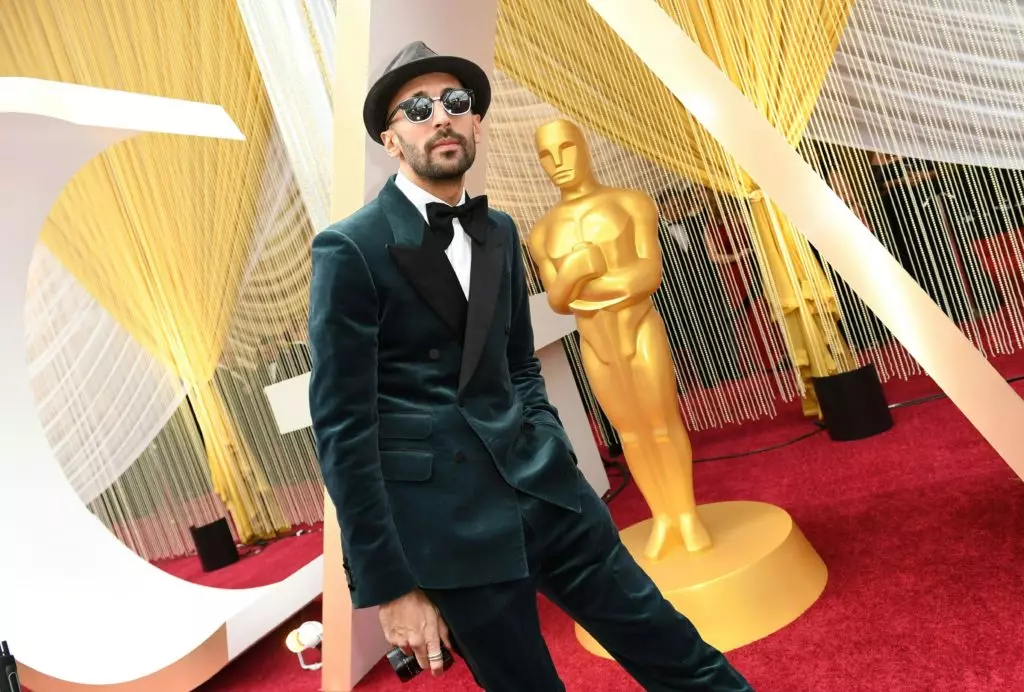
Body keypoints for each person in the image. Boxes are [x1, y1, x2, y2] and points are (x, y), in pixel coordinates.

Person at [307, 41, 753, 692]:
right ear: (391, 138)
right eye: (419, 108)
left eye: (457, 104)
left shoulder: (501, 233)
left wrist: (553, 452)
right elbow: (343, 427)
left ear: (476, 122)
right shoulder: (351, 248)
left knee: (678, 654)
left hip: (552, 498)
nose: (442, 118)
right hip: (450, 532)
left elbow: (519, 369)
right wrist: (390, 583)